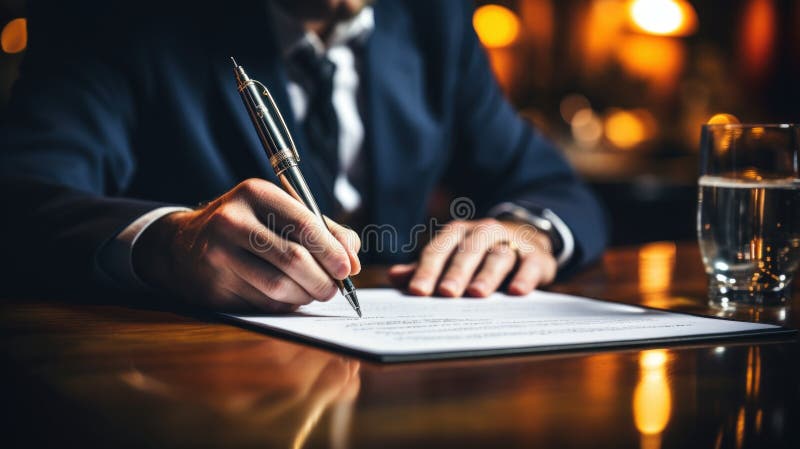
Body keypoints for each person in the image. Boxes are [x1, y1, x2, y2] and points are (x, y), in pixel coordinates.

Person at [0, 0, 607, 311]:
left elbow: (554, 188)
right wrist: (168, 243)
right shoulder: (116, 18)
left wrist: (526, 233)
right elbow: (20, 197)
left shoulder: (433, 20)